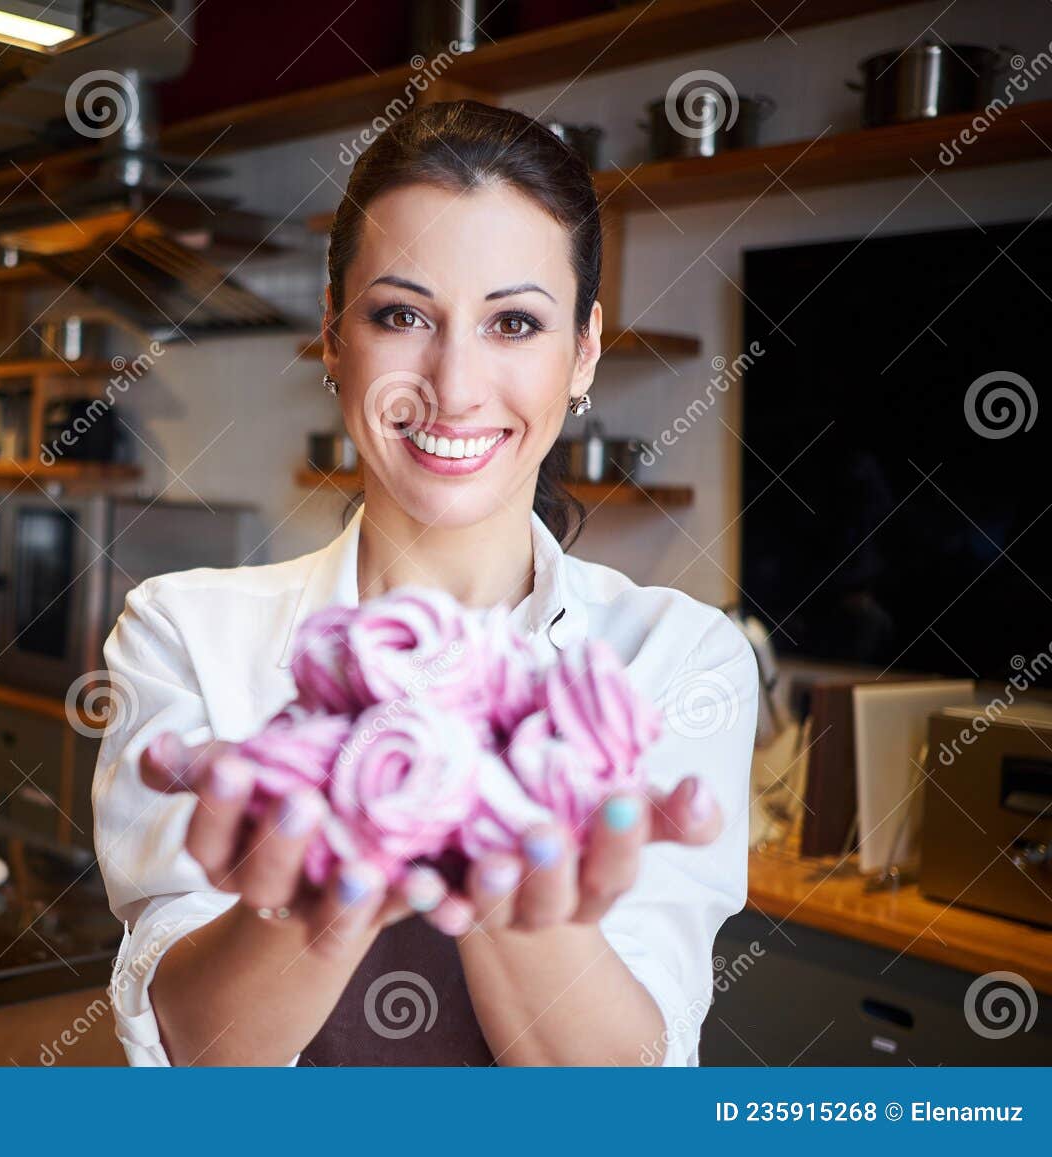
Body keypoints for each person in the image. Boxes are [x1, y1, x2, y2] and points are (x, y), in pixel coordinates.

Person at [92, 100, 759, 1066]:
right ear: (333, 338)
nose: (452, 386)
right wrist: (346, 862)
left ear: (583, 353)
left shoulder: (674, 657)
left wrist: (469, 821)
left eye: (514, 323)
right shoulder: (183, 633)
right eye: (402, 315)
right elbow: (204, 1052)